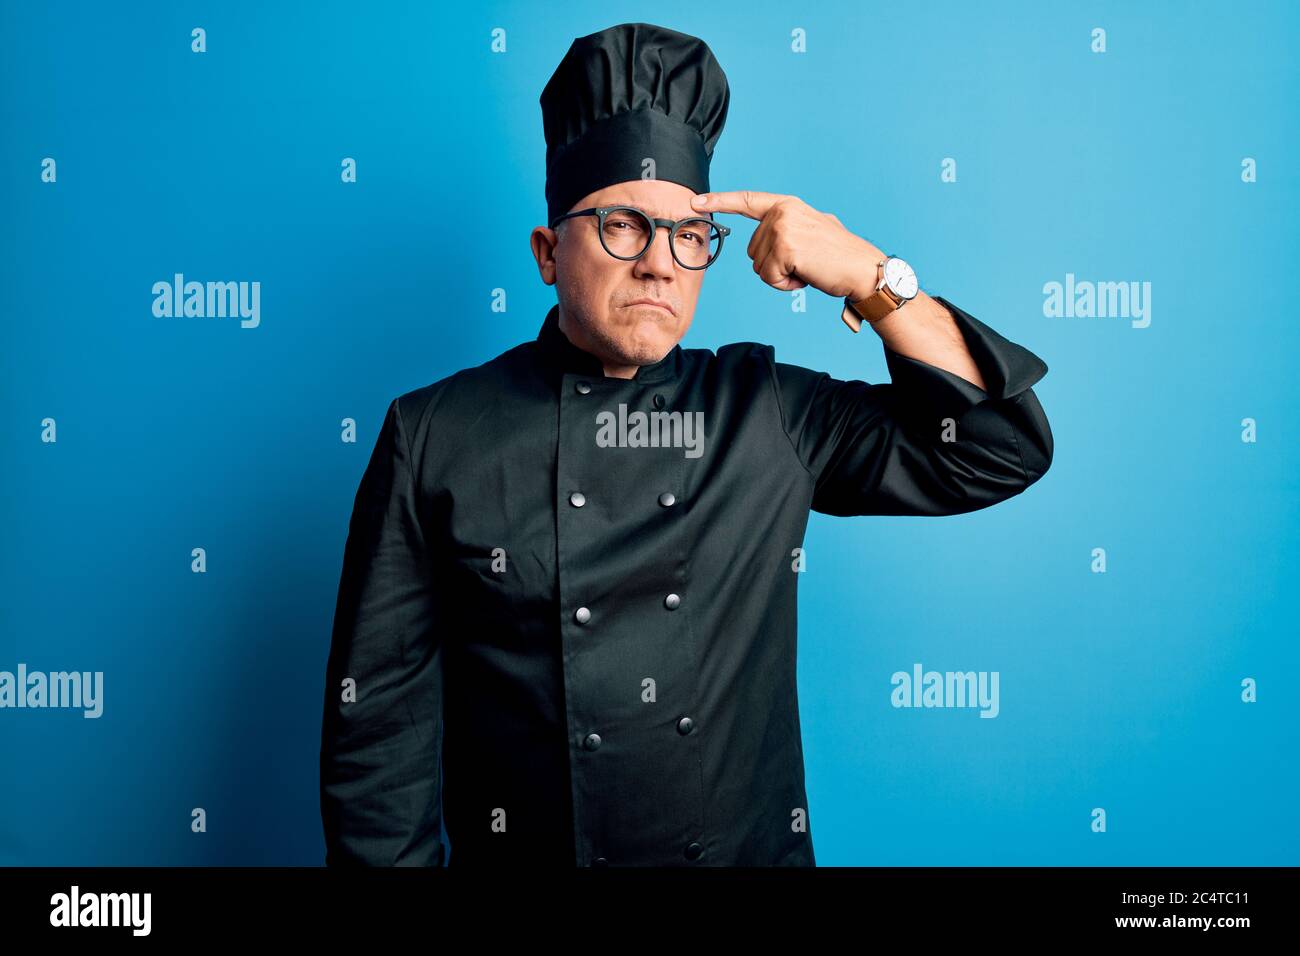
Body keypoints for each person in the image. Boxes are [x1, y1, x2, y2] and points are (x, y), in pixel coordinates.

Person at [319, 22, 1053, 867]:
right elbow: (378, 744)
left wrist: (866, 274)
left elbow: (999, 447)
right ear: (548, 253)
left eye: (687, 234)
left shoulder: (768, 412)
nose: (660, 264)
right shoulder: (436, 435)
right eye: (623, 226)